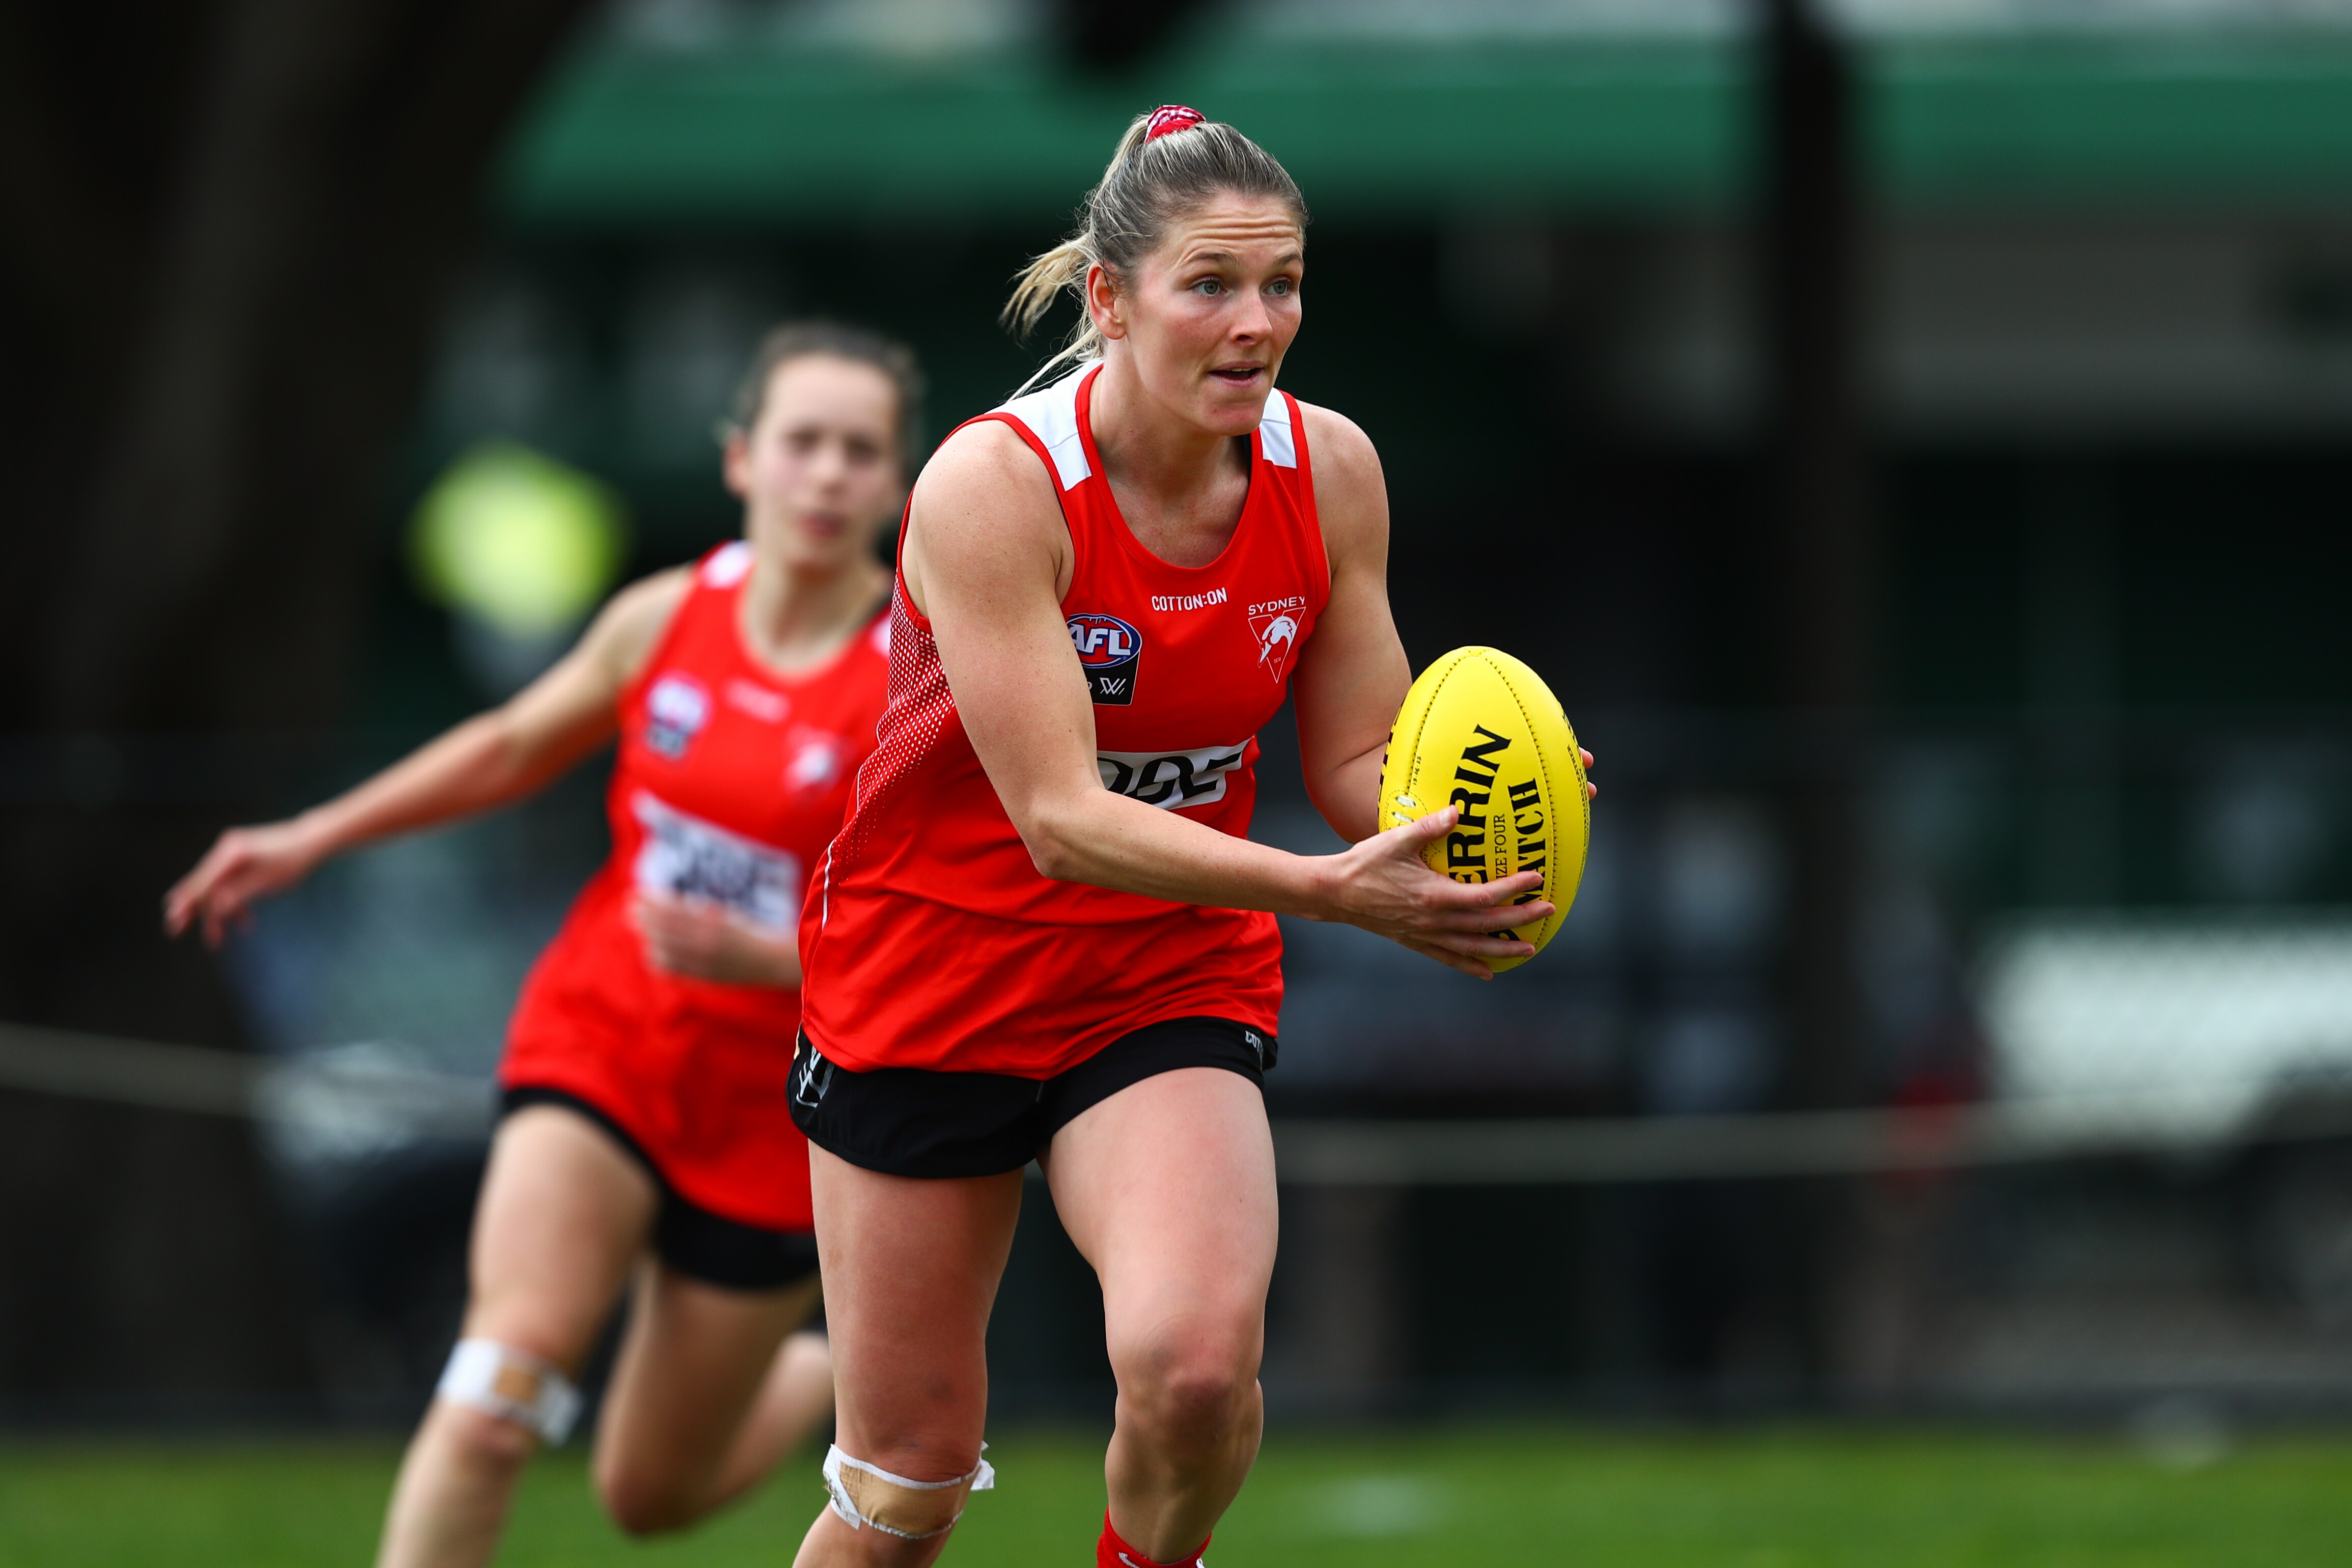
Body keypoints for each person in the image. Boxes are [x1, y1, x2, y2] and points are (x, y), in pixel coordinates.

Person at [785, 107, 1595, 1568]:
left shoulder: (1329, 470)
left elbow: (1356, 753)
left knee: (1196, 1372)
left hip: (1161, 976)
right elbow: (1060, 821)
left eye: (1280, 284)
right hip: (930, 976)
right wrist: (1328, 892)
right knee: (904, 1487)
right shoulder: (995, 488)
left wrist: (1459, 818)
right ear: (1110, 298)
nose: (1256, 321)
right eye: (1209, 284)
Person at [164, 322, 921, 1568]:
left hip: (783, 1114)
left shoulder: (910, 681)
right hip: (606, 1043)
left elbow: (942, 930)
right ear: (743, 461)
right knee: (494, 1395)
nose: (828, 475)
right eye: (802, 443)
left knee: (647, 1494)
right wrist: (311, 834)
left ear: (899, 483)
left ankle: (804, 1380)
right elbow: (514, 744)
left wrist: (775, 962)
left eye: (859, 450)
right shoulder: (667, 615)